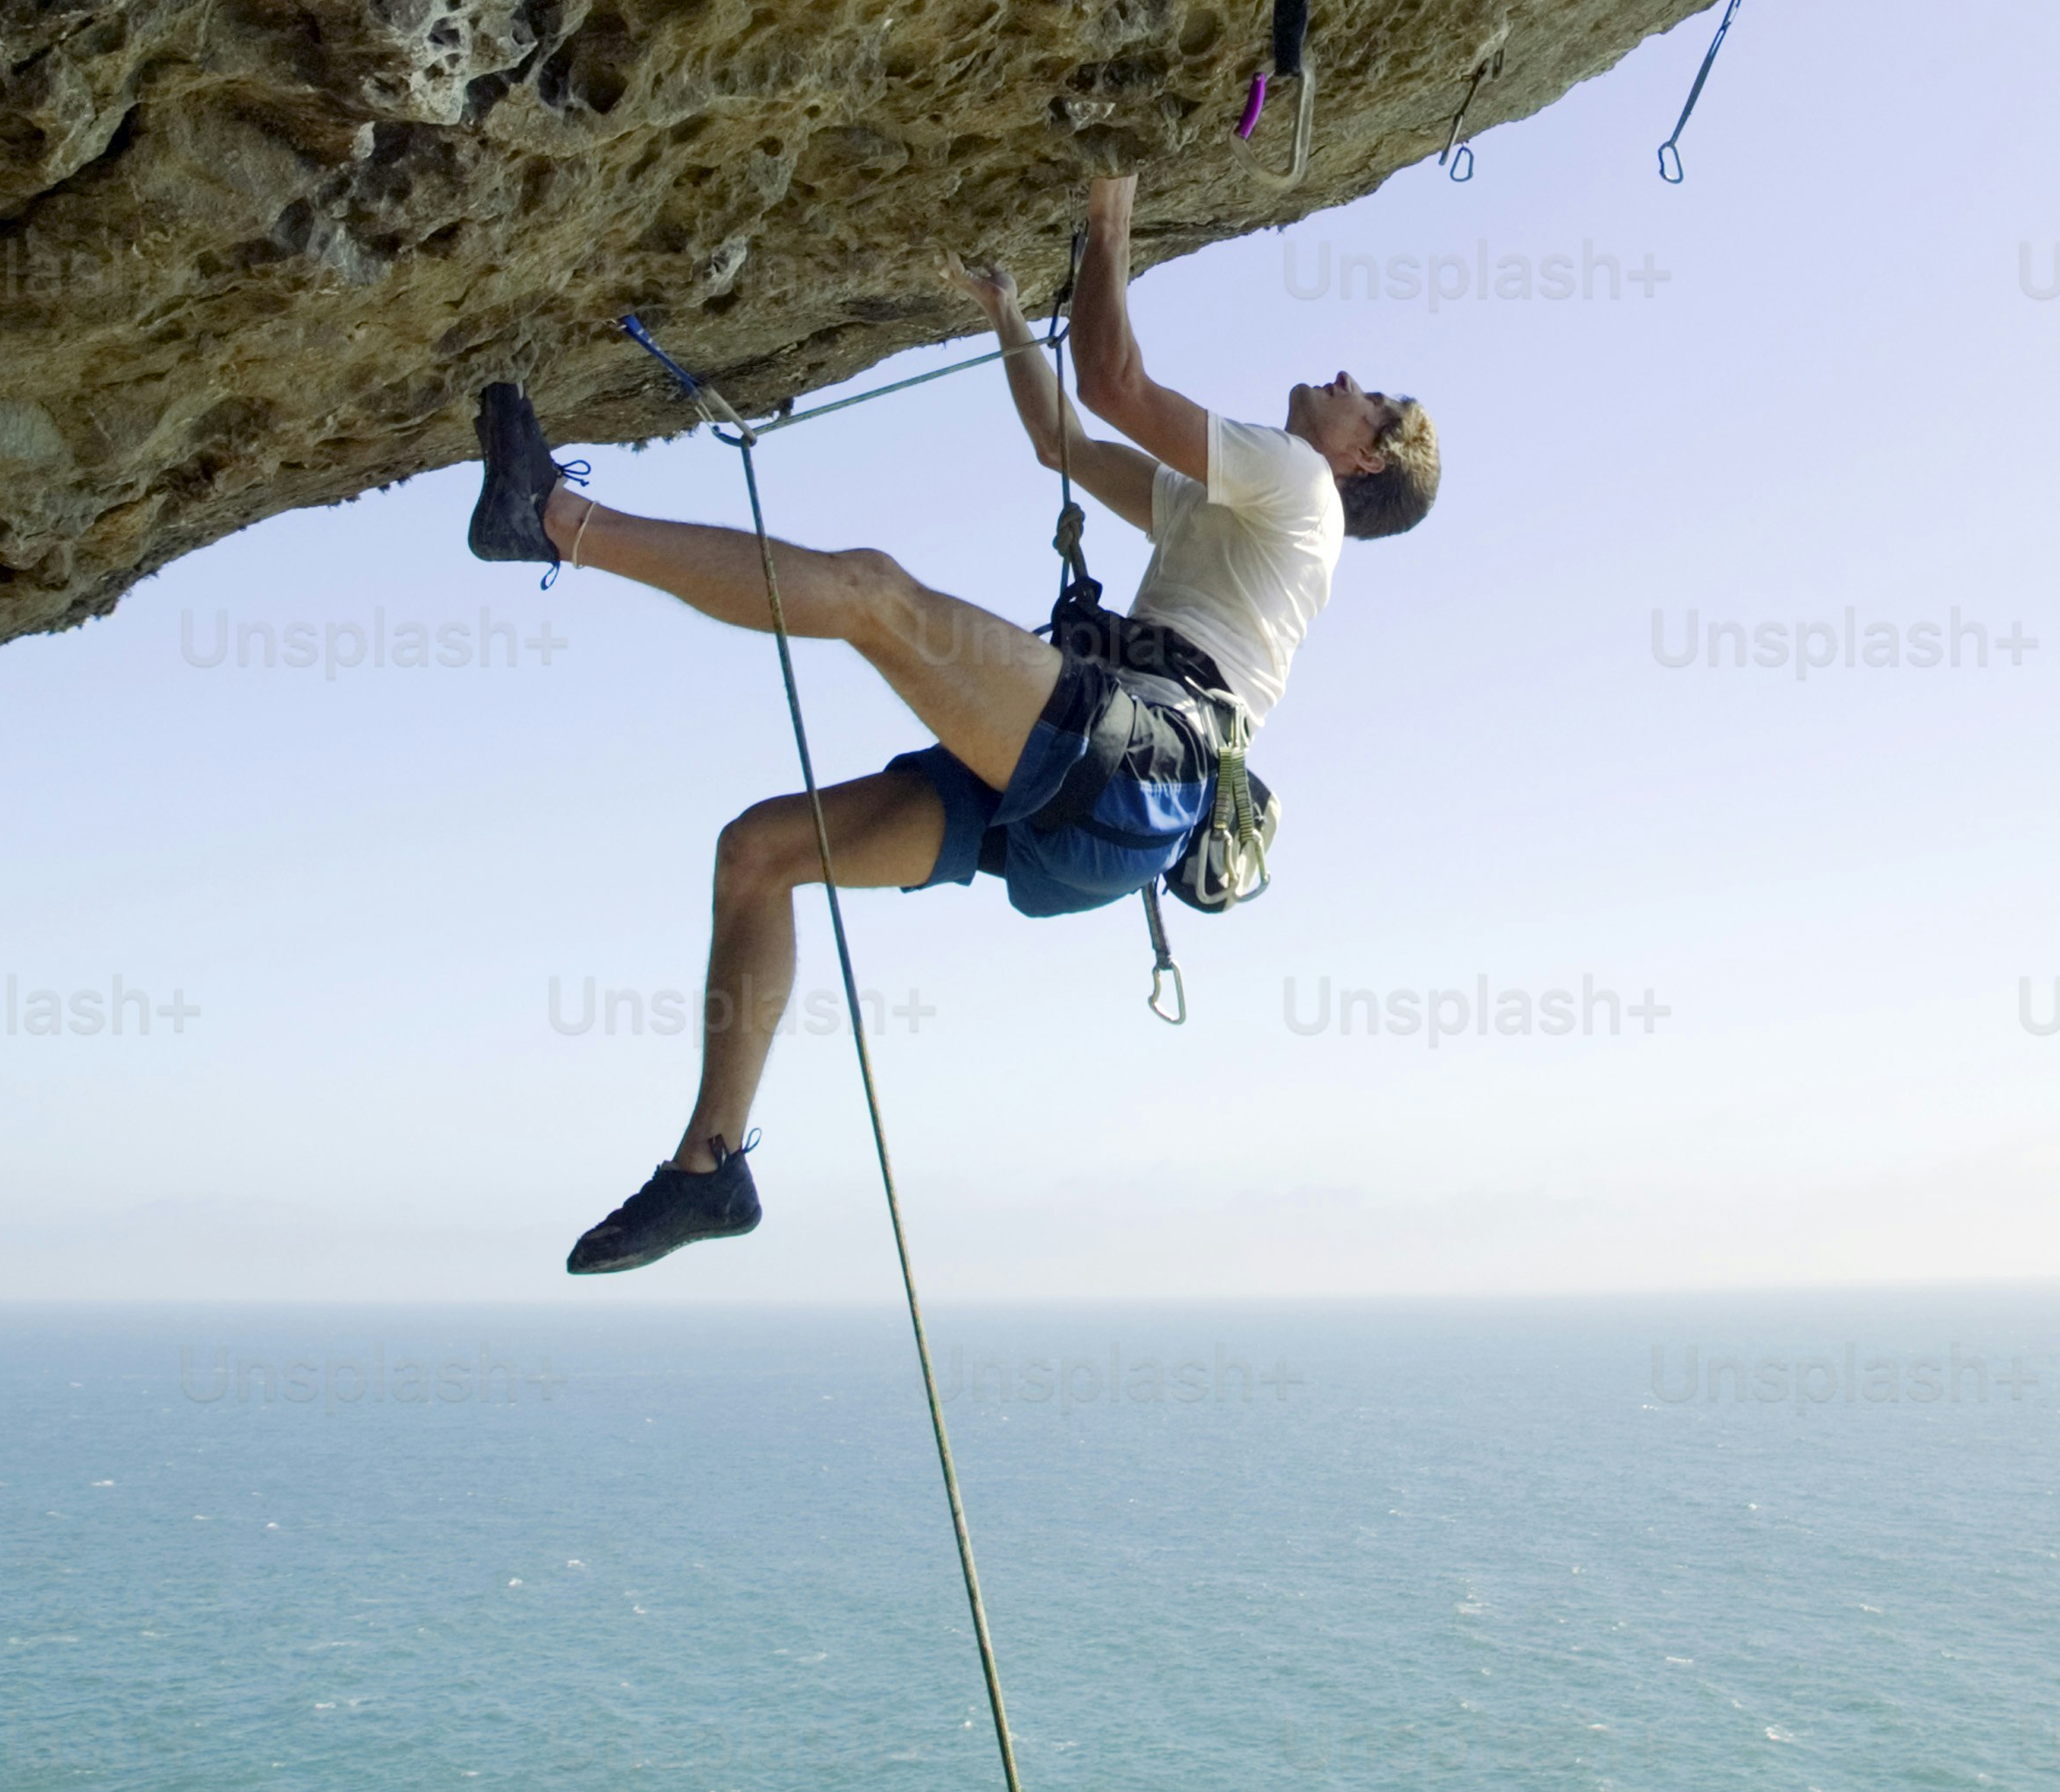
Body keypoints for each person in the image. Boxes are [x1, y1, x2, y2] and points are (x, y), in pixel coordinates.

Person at [464, 172, 1439, 1273]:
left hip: (1133, 766)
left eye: (1377, 403)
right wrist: (1006, 311)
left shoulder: (1301, 482)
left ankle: (551, 519)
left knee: (875, 594)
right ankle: (709, 1170)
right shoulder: (1244, 509)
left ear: (1364, 459)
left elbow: (1116, 384)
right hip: (1104, 824)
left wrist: (1108, 208)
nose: (1352, 383)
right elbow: (1063, 443)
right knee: (759, 852)